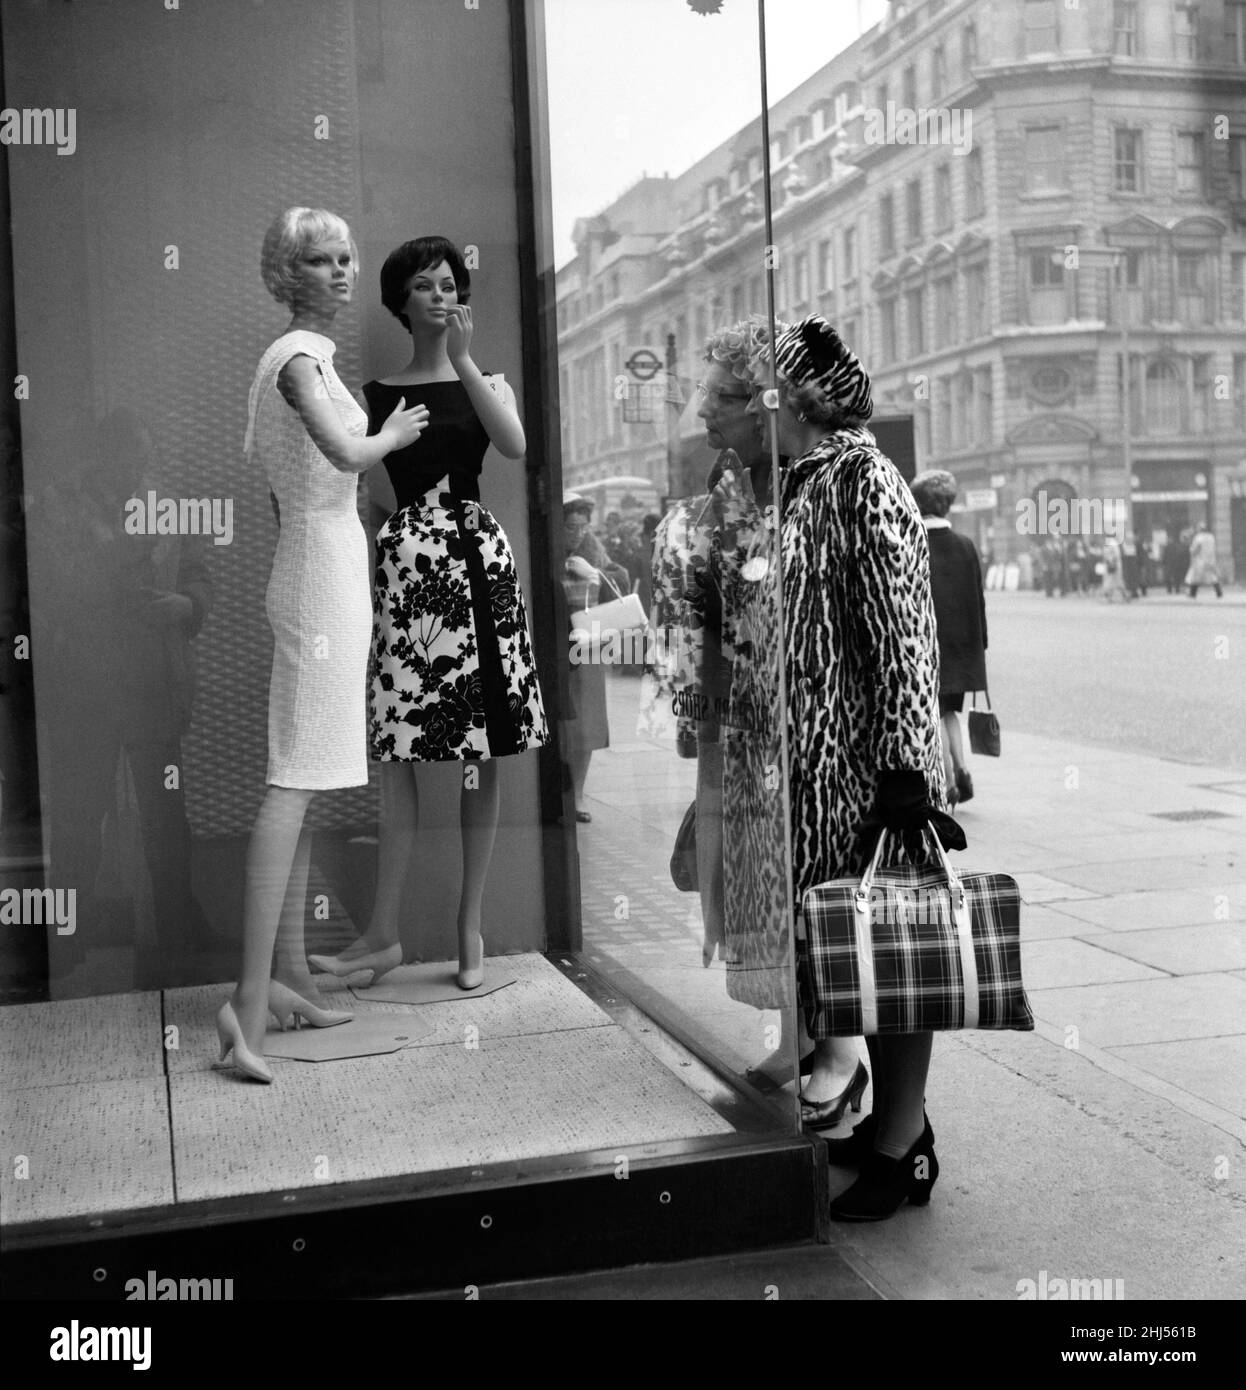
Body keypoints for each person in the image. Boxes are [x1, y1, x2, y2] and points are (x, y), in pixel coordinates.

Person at [747, 314, 964, 1220]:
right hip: (816, 776)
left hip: (873, 776)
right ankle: (890, 1131)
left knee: (894, 957)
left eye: (764, 386)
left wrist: (909, 769)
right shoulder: (801, 483)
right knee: (856, 961)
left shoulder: (866, 480)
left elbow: (906, 634)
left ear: (795, 399)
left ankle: (905, 1145)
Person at [217, 209, 429, 1083]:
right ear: (286, 271)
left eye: (346, 257)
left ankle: (288, 978)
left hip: (323, 571)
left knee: (302, 777)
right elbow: (345, 454)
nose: (342, 271)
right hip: (317, 577)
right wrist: (393, 436)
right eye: (320, 259)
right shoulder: (296, 361)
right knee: (293, 782)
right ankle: (246, 1000)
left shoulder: (307, 359)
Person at [309, 236, 547, 993]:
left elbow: (512, 446)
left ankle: (467, 925)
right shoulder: (376, 394)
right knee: (402, 751)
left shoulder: (489, 380)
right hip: (412, 571)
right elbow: (368, 487)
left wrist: (469, 363)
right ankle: (382, 932)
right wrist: (399, 541)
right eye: (425, 285)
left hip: (479, 566)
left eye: (450, 282)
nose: (442, 294)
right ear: (400, 301)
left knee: (482, 750)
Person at [909, 470, 987, 807]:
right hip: (962, 646)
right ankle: (962, 766)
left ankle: (949, 781)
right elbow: (977, 599)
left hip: (929, 643)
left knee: (933, 711)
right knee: (950, 711)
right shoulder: (966, 544)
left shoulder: (914, 543)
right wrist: (979, 644)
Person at [559, 493, 628, 822]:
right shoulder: (546, 551)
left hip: (587, 646)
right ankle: (560, 790)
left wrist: (594, 575)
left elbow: (622, 584)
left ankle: (578, 793)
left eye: (582, 527)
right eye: (571, 527)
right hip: (558, 644)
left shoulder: (592, 551)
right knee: (563, 722)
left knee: (585, 725)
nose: (577, 534)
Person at [1185, 520, 1223, 598]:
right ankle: (1219, 592)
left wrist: (1190, 548)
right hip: (1210, 560)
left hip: (1200, 560)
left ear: (1200, 529)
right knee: (1212, 576)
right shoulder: (1211, 537)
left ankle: (1192, 593)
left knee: (1195, 577)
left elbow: (1195, 549)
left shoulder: (1198, 537)